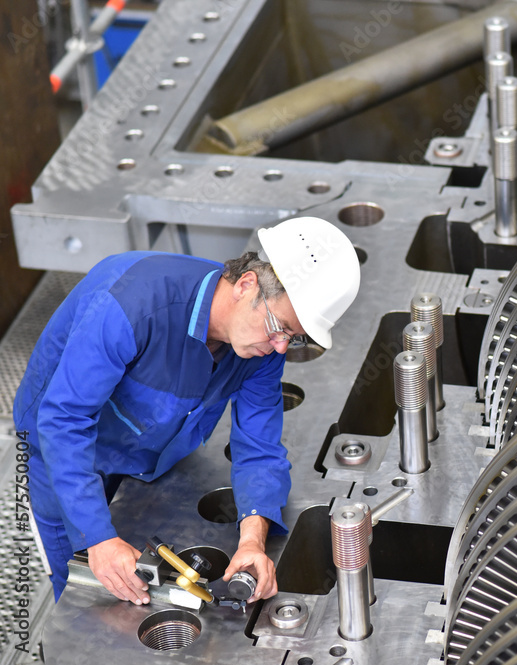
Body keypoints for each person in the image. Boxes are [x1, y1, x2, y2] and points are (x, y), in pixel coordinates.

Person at [13, 216, 361, 604]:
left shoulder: (262, 348)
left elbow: (259, 448)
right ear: (247, 286)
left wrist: (252, 540)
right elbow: (64, 420)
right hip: (59, 449)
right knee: (83, 588)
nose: (281, 347)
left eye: (293, 337)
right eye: (279, 327)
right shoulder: (133, 305)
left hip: (152, 455)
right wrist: (98, 538)